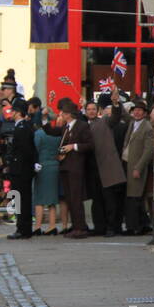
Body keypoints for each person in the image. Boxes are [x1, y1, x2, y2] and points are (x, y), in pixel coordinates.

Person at [54, 98, 94, 239]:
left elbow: (90, 144)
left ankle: (81, 227)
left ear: (69, 114)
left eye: (63, 113)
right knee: (70, 198)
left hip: (76, 167)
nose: (61, 116)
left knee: (76, 198)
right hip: (65, 165)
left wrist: (73, 146)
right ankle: (76, 225)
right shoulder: (66, 128)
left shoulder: (82, 126)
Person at [86, 100, 127, 237]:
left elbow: (115, 117)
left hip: (106, 167)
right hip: (92, 168)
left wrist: (116, 104)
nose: (91, 111)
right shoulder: (83, 125)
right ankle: (99, 227)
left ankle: (111, 227)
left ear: (98, 111)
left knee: (109, 200)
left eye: (93, 109)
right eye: (88, 109)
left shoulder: (104, 122)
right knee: (96, 201)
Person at [5, 98, 38, 240]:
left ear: (18, 112)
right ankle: (24, 228)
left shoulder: (22, 128)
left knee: (20, 199)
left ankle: (22, 228)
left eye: (13, 110)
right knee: (22, 199)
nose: (11, 113)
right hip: (21, 169)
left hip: (21, 170)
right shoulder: (23, 126)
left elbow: (25, 150)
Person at [123, 100, 154, 235]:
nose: (137, 112)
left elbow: (148, 151)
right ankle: (144, 224)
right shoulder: (132, 124)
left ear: (145, 113)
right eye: (135, 110)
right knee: (132, 197)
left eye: (140, 110)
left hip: (136, 166)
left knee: (134, 197)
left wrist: (139, 167)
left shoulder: (147, 128)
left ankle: (134, 227)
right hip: (127, 163)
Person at [33, 114, 62, 235]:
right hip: (55, 166)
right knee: (52, 200)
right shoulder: (58, 134)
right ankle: (52, 226)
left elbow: (35, 149)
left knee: (39, 199)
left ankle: (38, 226)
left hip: (42, 167)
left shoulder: (39, 134)